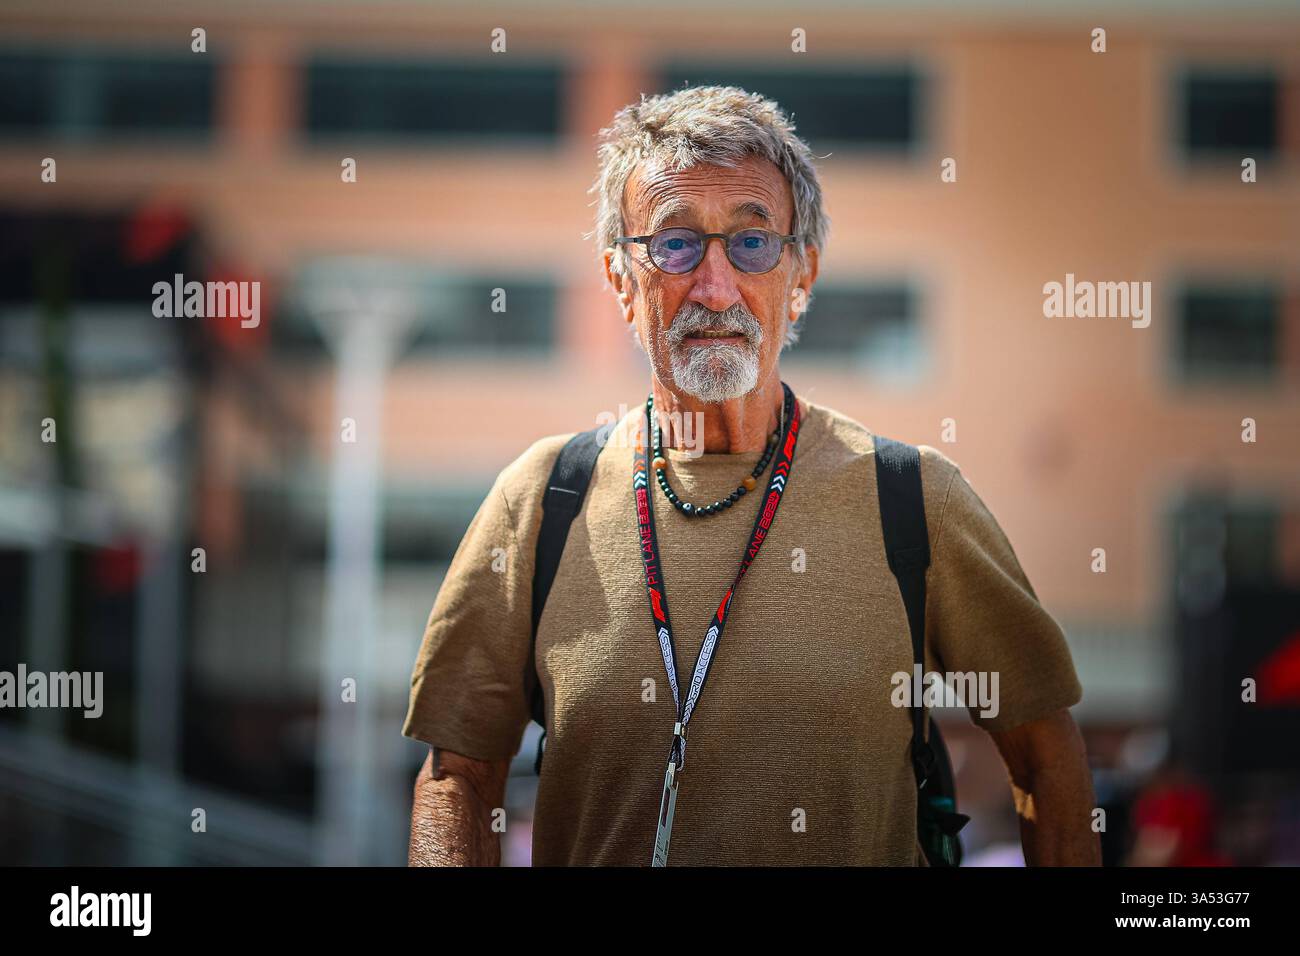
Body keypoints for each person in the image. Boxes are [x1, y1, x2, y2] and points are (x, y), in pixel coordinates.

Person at [403, 85, 1099, 866]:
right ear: (620, 283)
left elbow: (1047, 757)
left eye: (752, 243)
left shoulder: (910, 498)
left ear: (801, 274)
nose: (715, 285)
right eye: (673, 244)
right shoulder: (542, 499)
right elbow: (457, 774)